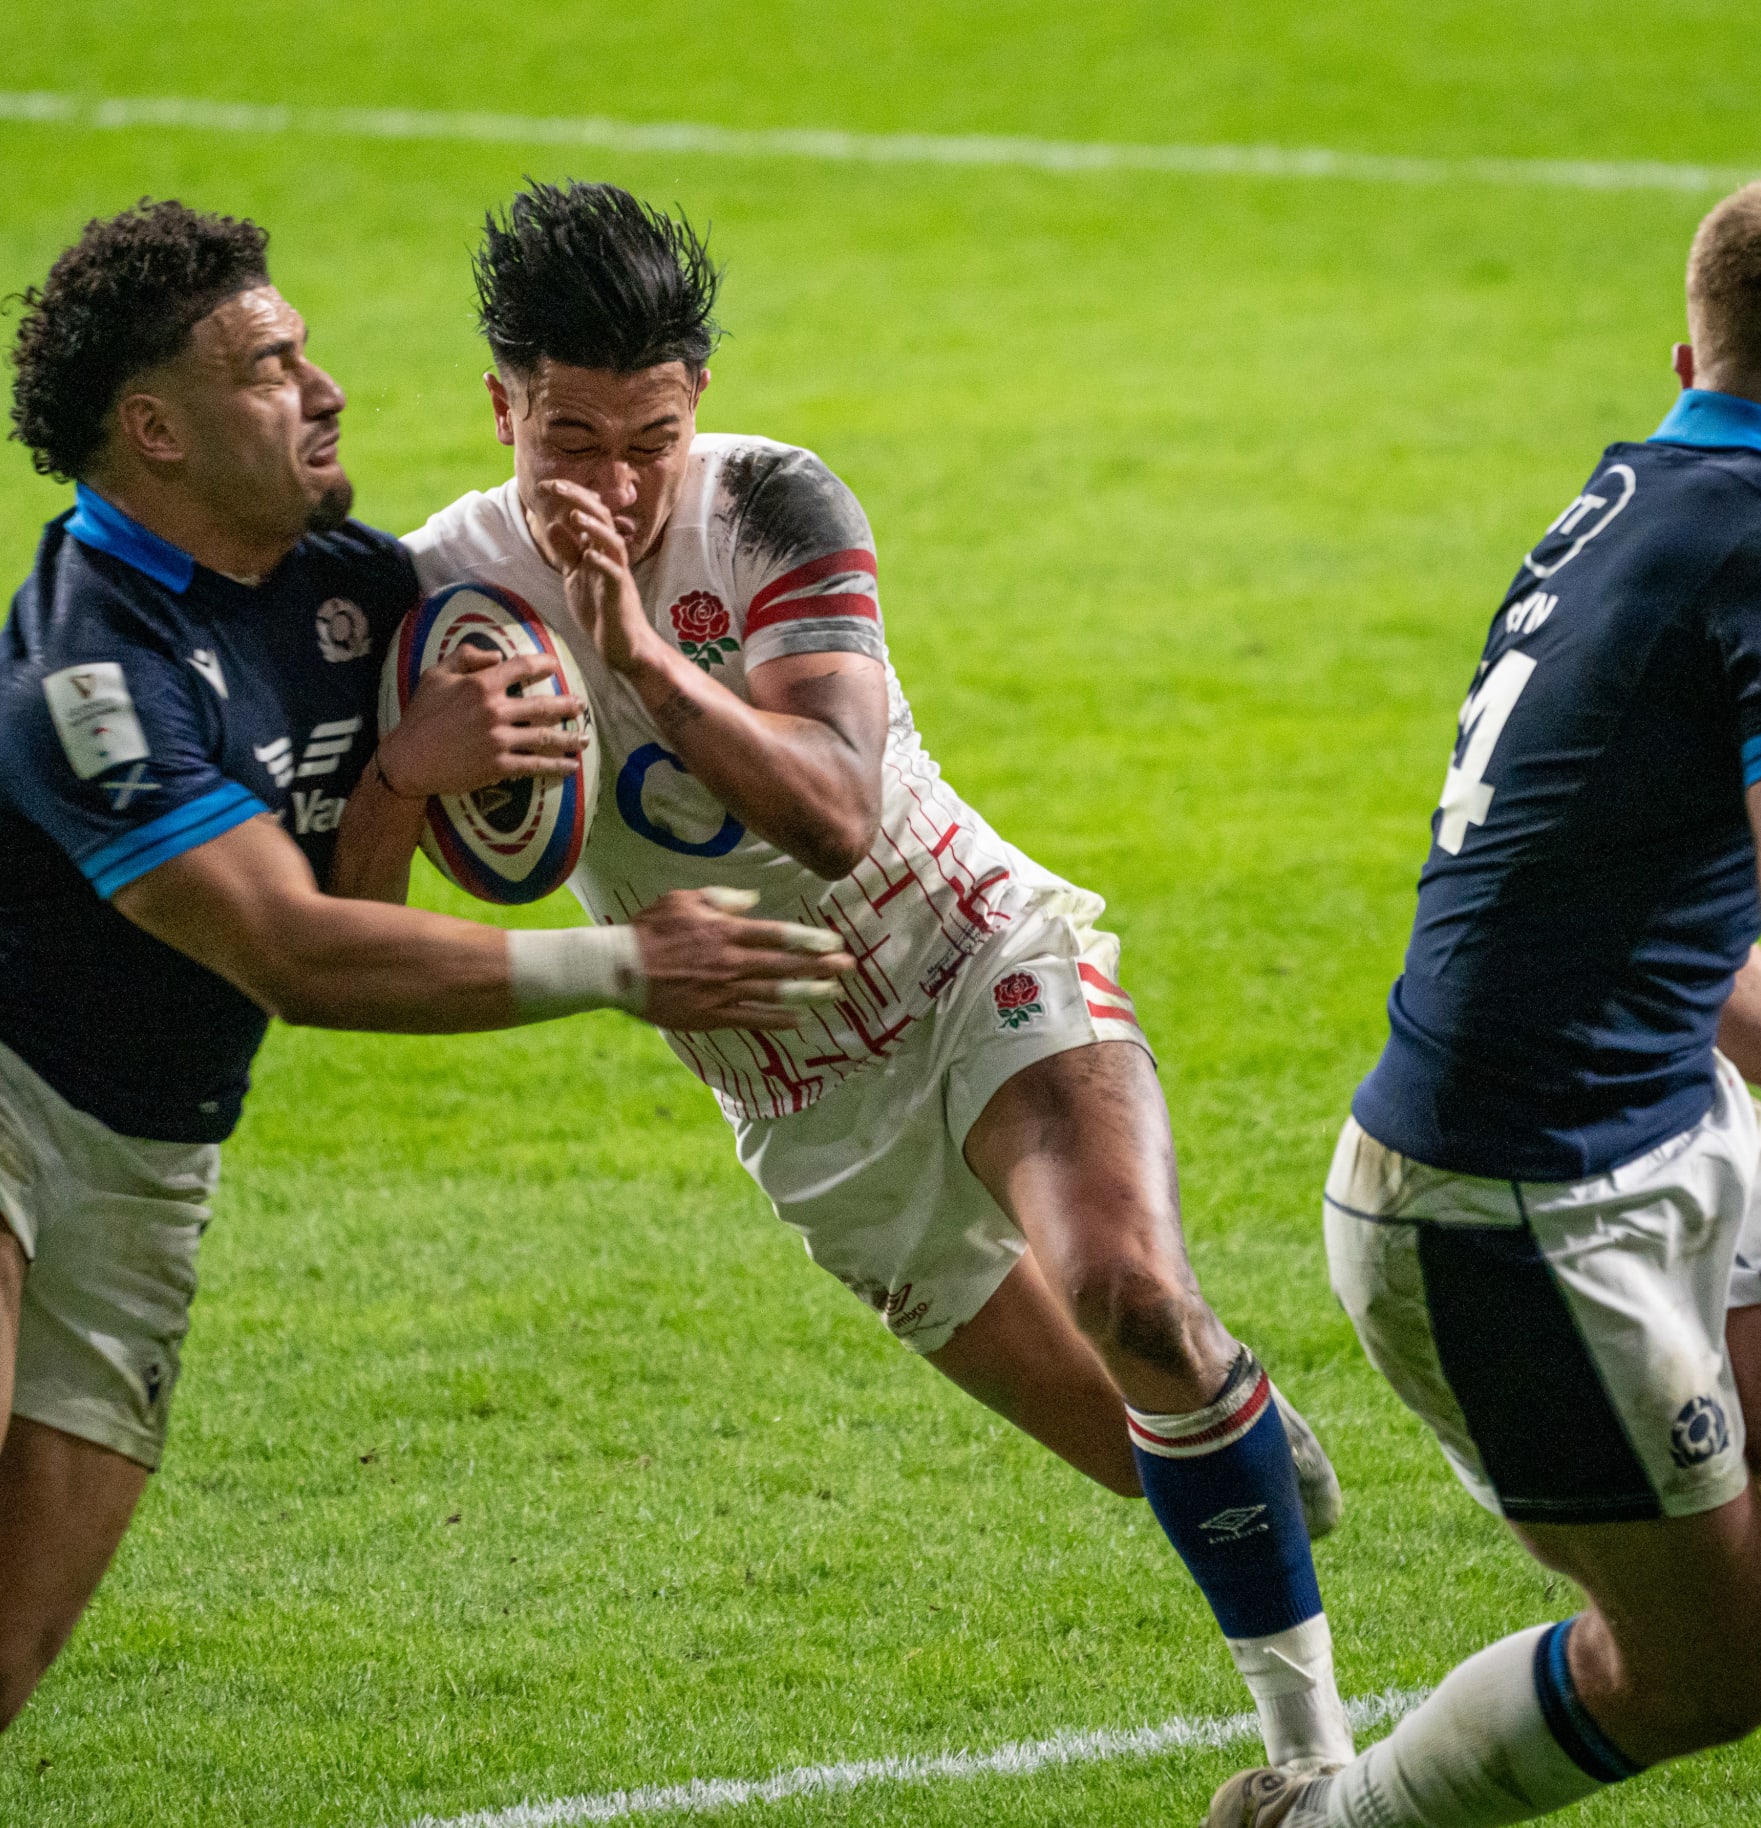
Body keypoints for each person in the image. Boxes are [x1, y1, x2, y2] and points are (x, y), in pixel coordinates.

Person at [0, 199, 849, 1828]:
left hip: (151, 1153)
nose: (329, 388)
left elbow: (357, 930)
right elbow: (286, 956)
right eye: (272, 368)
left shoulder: (352, 594)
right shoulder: (91, 674)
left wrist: (409, 774)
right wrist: (621, 965)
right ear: (157, 432)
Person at [349, 179, 1357, 1776]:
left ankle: (1315, 1767)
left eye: (650, 439)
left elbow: (827, 808)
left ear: (700, 408)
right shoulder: (429, 598)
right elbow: (340, 933)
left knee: (1130, 1301)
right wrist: (404, 772)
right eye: (572, 440)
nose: (614, 481)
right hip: (804, 1094)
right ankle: (1217, 1422)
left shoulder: (772, 507)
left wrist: (633, 646)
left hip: (964, 953)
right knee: (1155, 1462)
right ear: (501, 407)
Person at [1208, 179, 1761, 1828]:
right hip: (1508, 1212)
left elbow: (1637, 931)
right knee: (1714, 1667)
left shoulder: (1619, 511)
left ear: (1690, 352)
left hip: (1661, 1114)